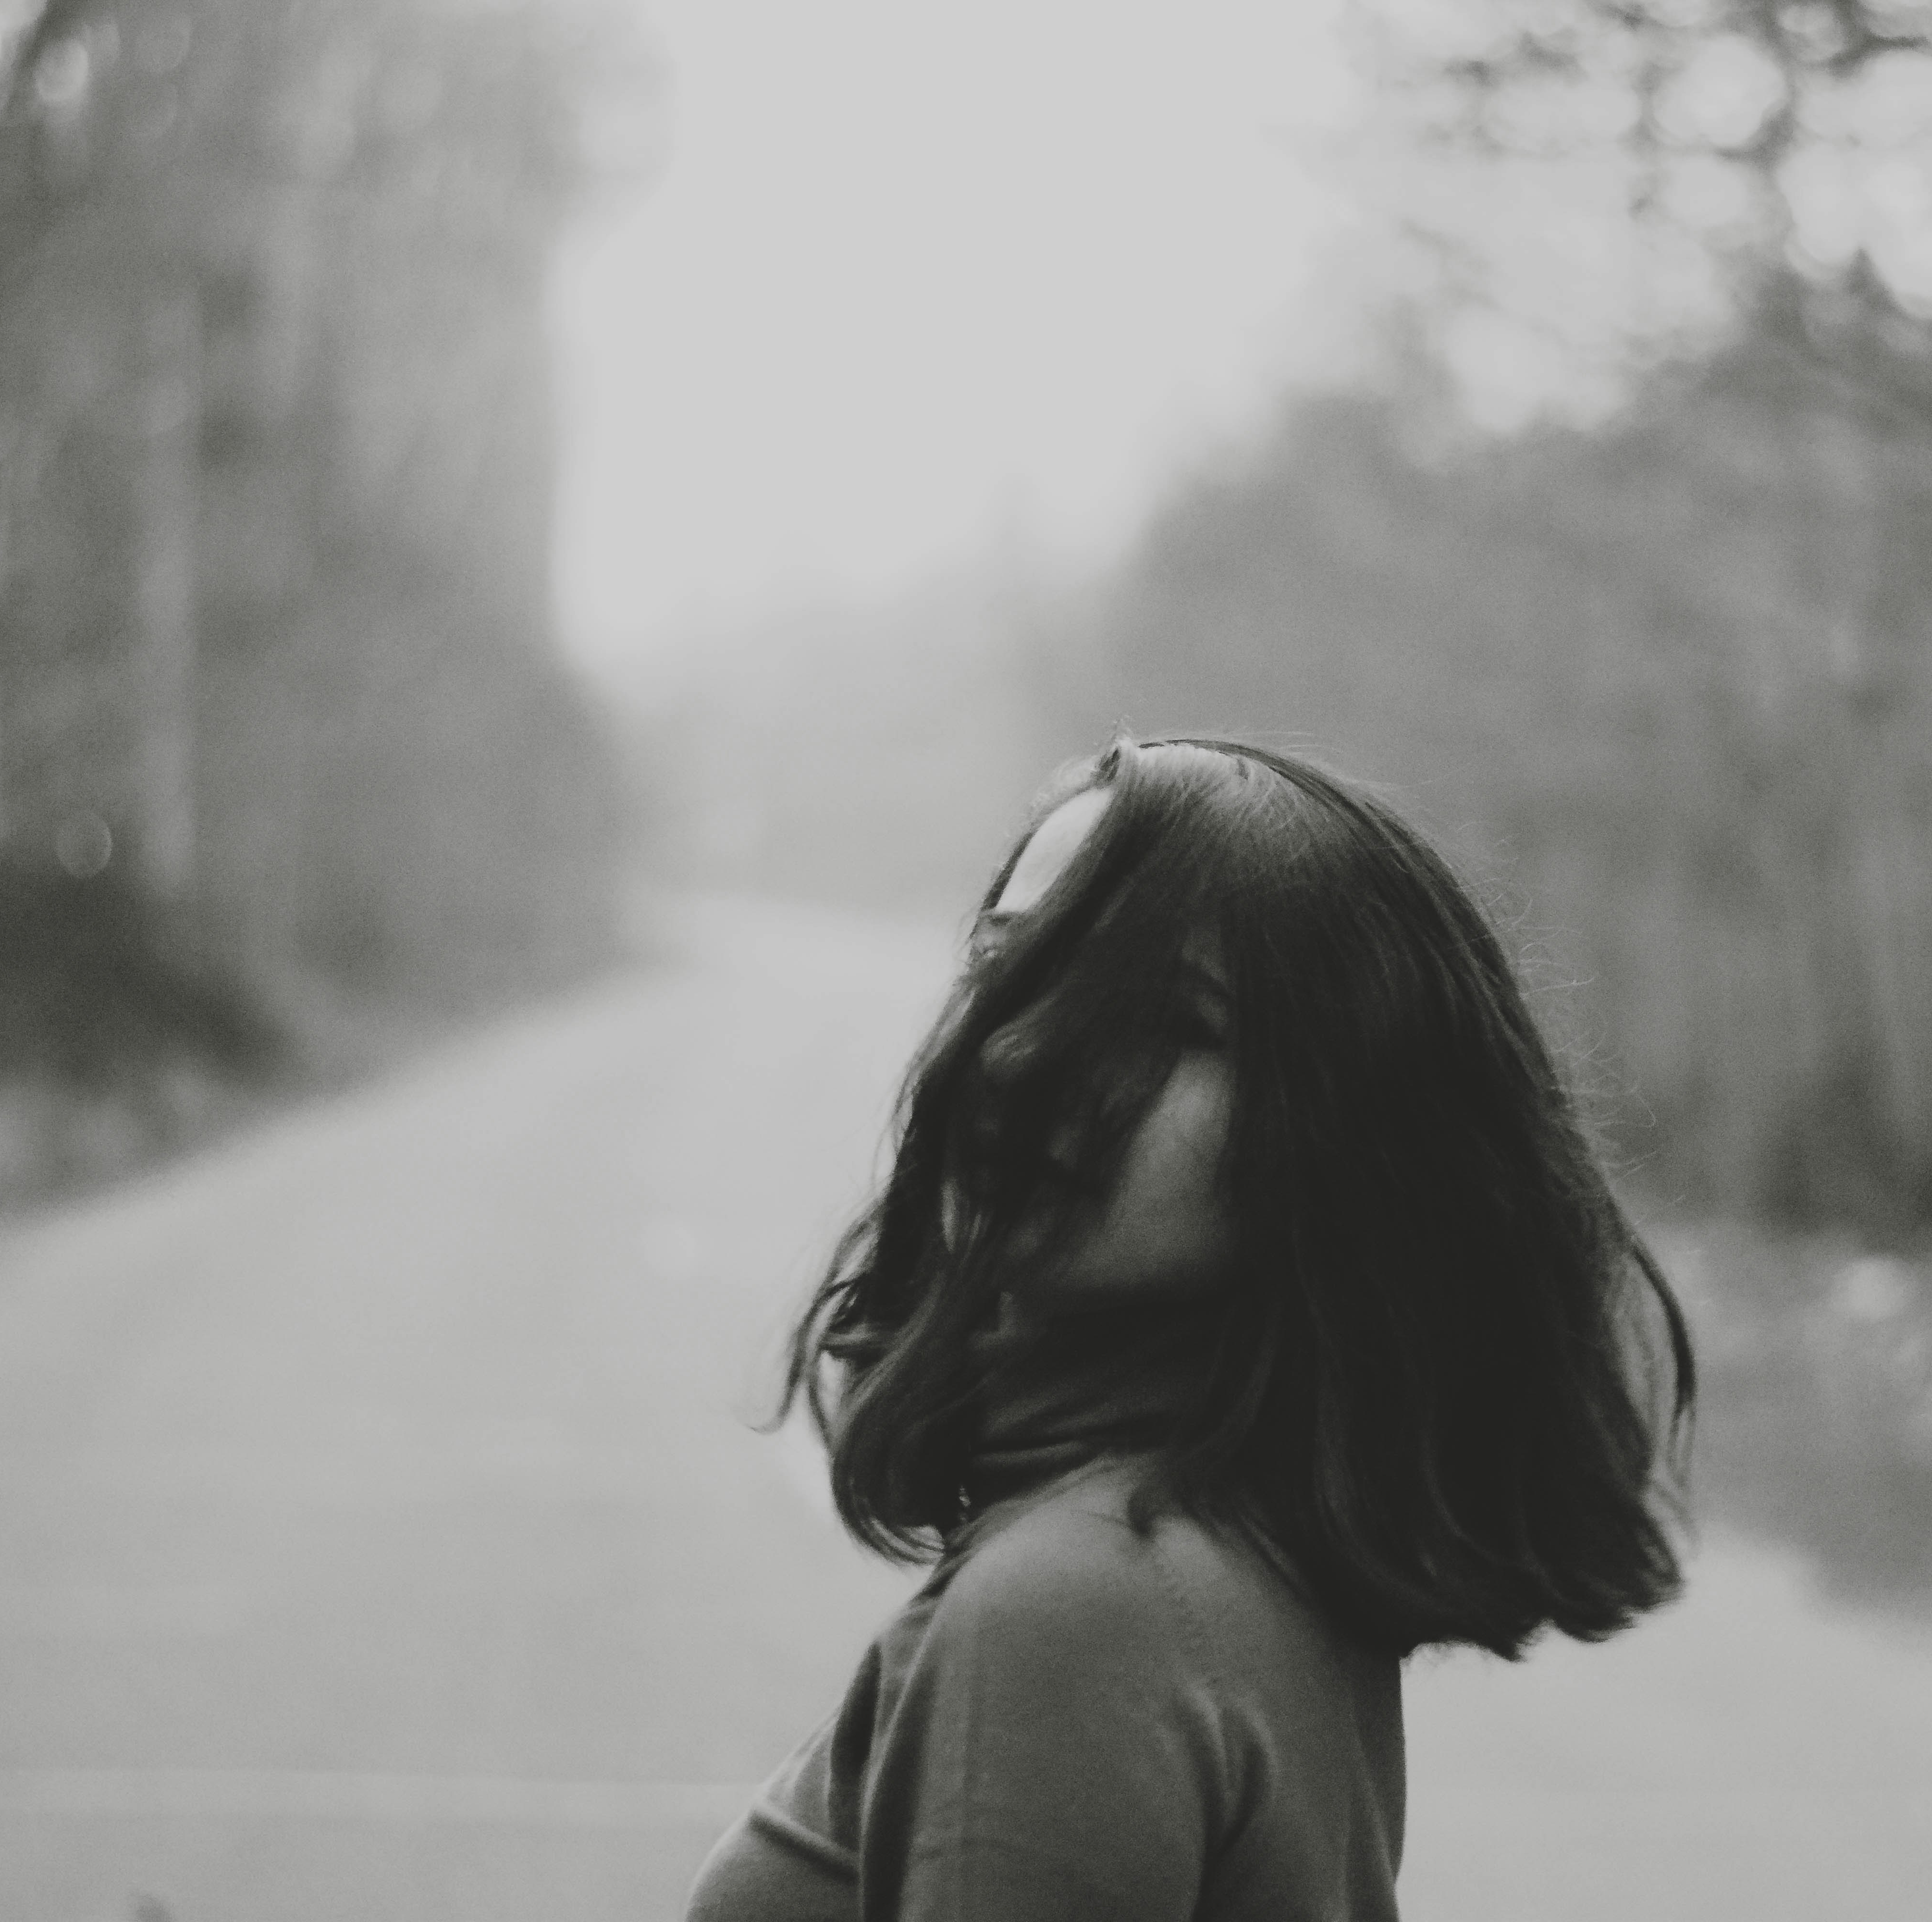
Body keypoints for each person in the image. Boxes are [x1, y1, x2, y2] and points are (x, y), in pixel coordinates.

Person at [686, 737, 1693, 1922]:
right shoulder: (1247, 1542)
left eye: (1172, 1019)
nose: (1020, 1053)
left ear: (1335, 1137)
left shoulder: (1073, 1617)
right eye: (1004, 967)